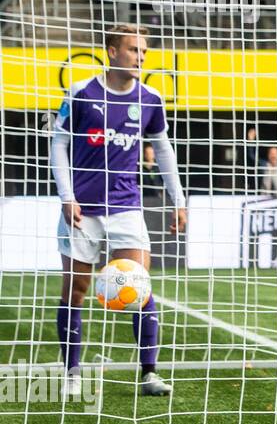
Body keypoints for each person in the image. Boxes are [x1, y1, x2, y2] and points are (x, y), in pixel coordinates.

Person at [50, 23, 186, 398]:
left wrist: (179, 200)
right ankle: (72, 372)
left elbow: (163, 151)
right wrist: (66, 196)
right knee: (76, 289)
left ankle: (149, 373)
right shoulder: (81, 92)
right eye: (132, 50)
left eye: (143, 51)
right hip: (83, 208)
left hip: (126, 206)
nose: (140, 57)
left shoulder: (150, 98)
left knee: (139, 287)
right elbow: (58, 144)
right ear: (112, 52)